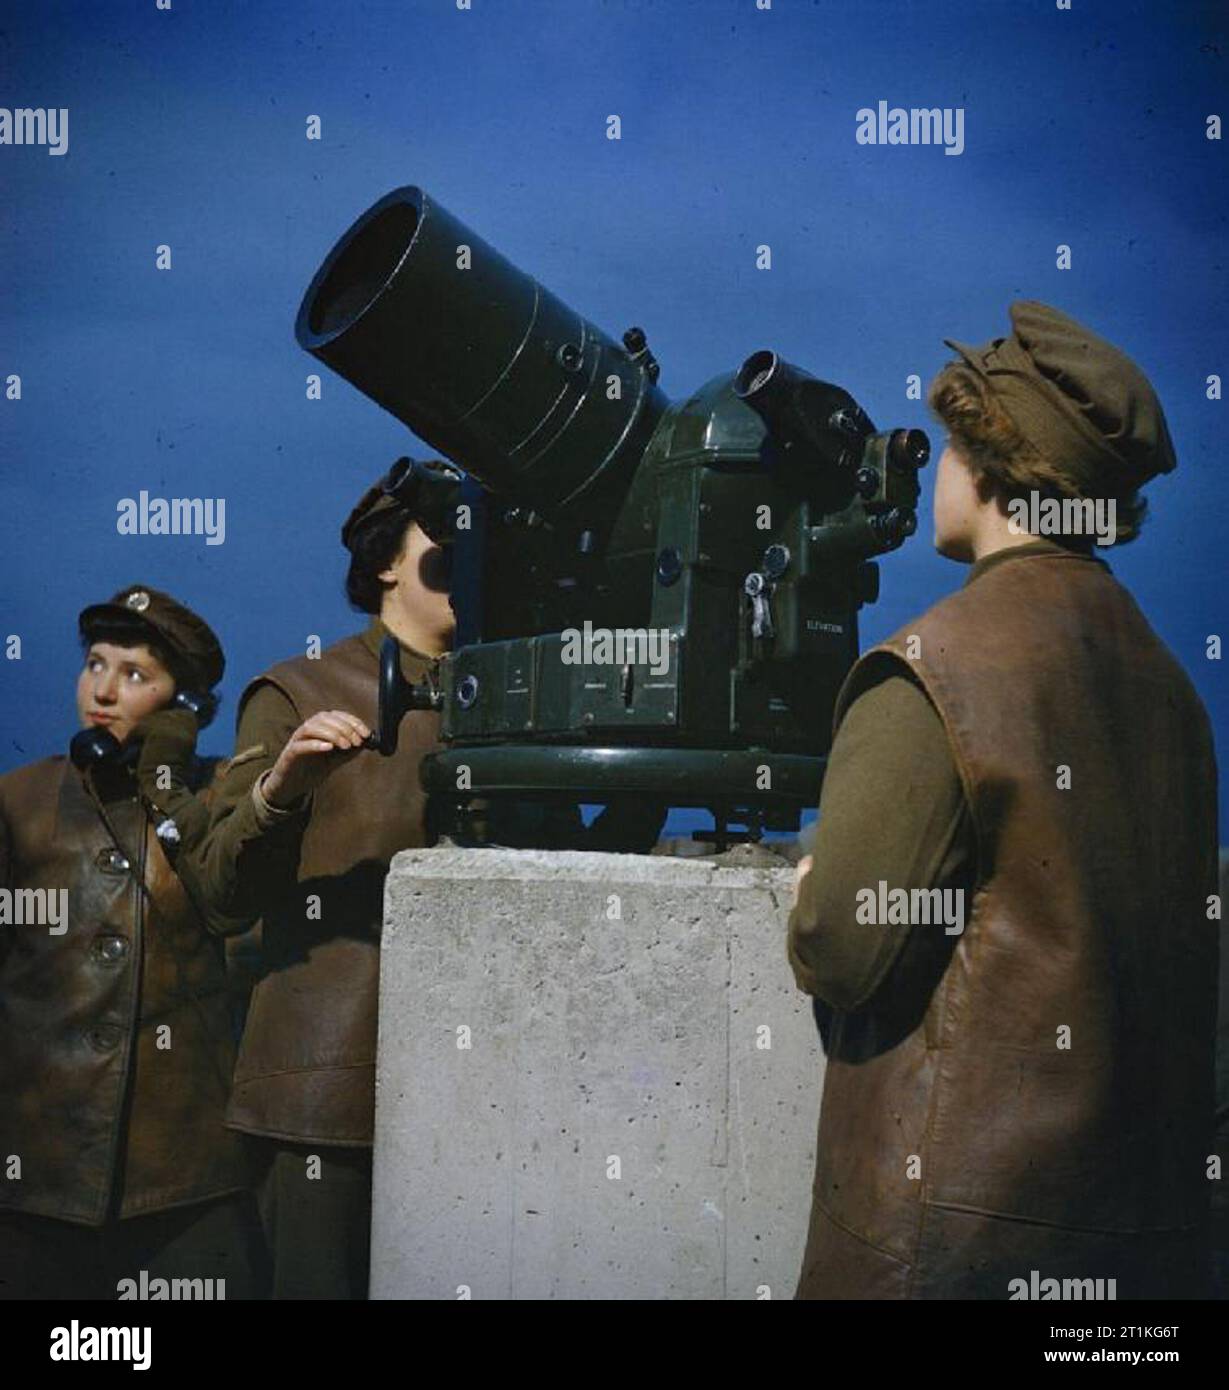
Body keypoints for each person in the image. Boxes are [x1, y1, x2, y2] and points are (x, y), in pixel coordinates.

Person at [787, 300, 1219, 1300]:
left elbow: (846, 946)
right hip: (1132, 1242)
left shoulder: (933, 664)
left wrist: (813, 891)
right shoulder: (1170, 688)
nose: (936, 466)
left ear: (988, 460)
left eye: (948, 439)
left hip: (942, 1240)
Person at [180, 458, 463, 1300]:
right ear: (385, 562)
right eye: (443, 536)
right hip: (327, 1095)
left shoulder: (518, 691)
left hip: (474, 1089)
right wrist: (280, 792)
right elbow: (222, 894)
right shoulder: (298, 691)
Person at [0, 585, 263, 1300]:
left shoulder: (215, 808)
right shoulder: (17, 802)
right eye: (94, 664)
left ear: (188, 708)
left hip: (184, 1176)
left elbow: (238, 914)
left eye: (136, 675)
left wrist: (167, 775)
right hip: (34, 1173)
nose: (104, 691)